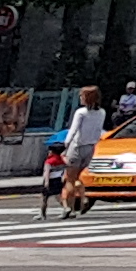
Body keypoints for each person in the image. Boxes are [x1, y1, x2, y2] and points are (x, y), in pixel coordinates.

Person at [54, 85, 105, 218]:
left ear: (87, 98)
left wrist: (65, 146)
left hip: (77, 147)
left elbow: (73, 130)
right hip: (90, 147)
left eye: (82, 96)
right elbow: (98, 130)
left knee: (69, 179)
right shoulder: (101, 112)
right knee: (78, 177)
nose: (80, 98)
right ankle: (82, 199)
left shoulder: (81, 112)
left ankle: (69, 207)